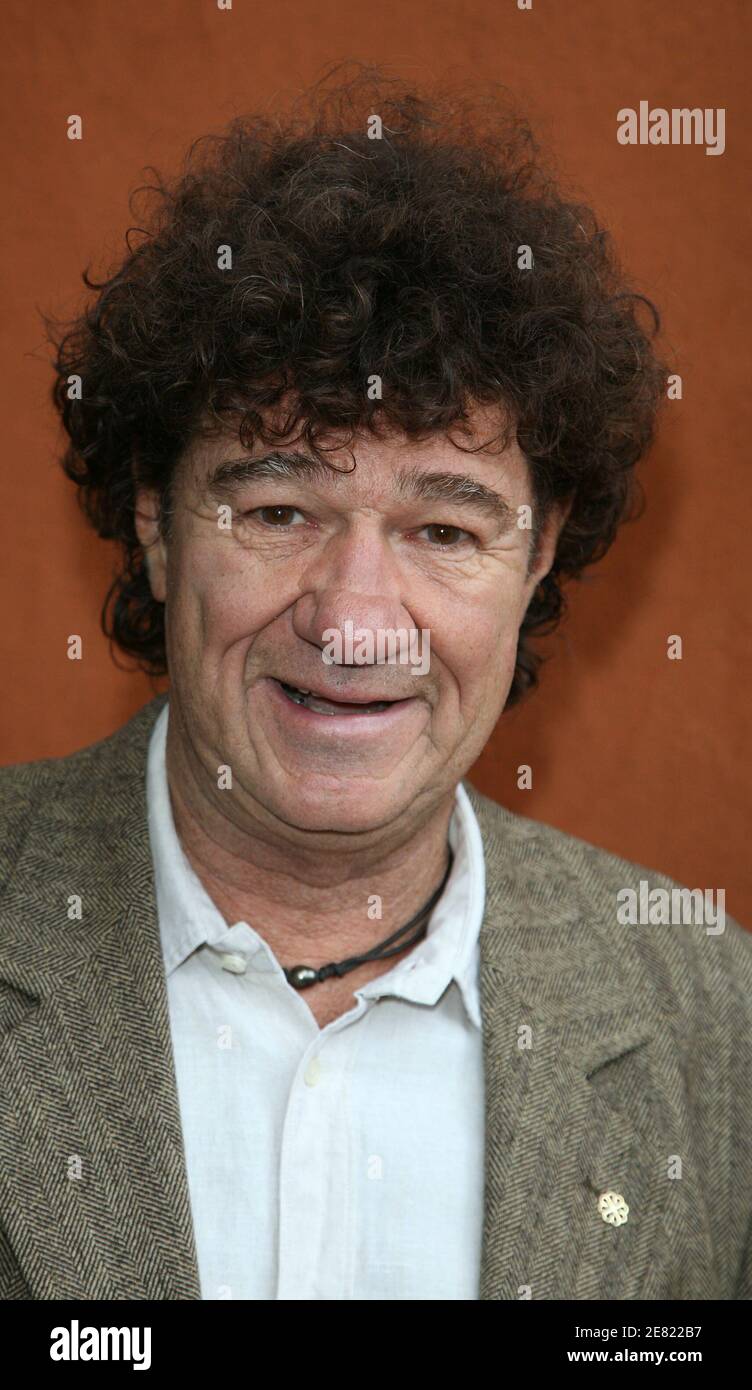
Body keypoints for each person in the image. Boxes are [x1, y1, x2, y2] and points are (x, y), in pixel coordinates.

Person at [1, 65, 750, 1301]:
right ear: (153, 520)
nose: (352, 624)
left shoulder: (712, 1021)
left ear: (539, 552)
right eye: (280, 507)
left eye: (443, 531)